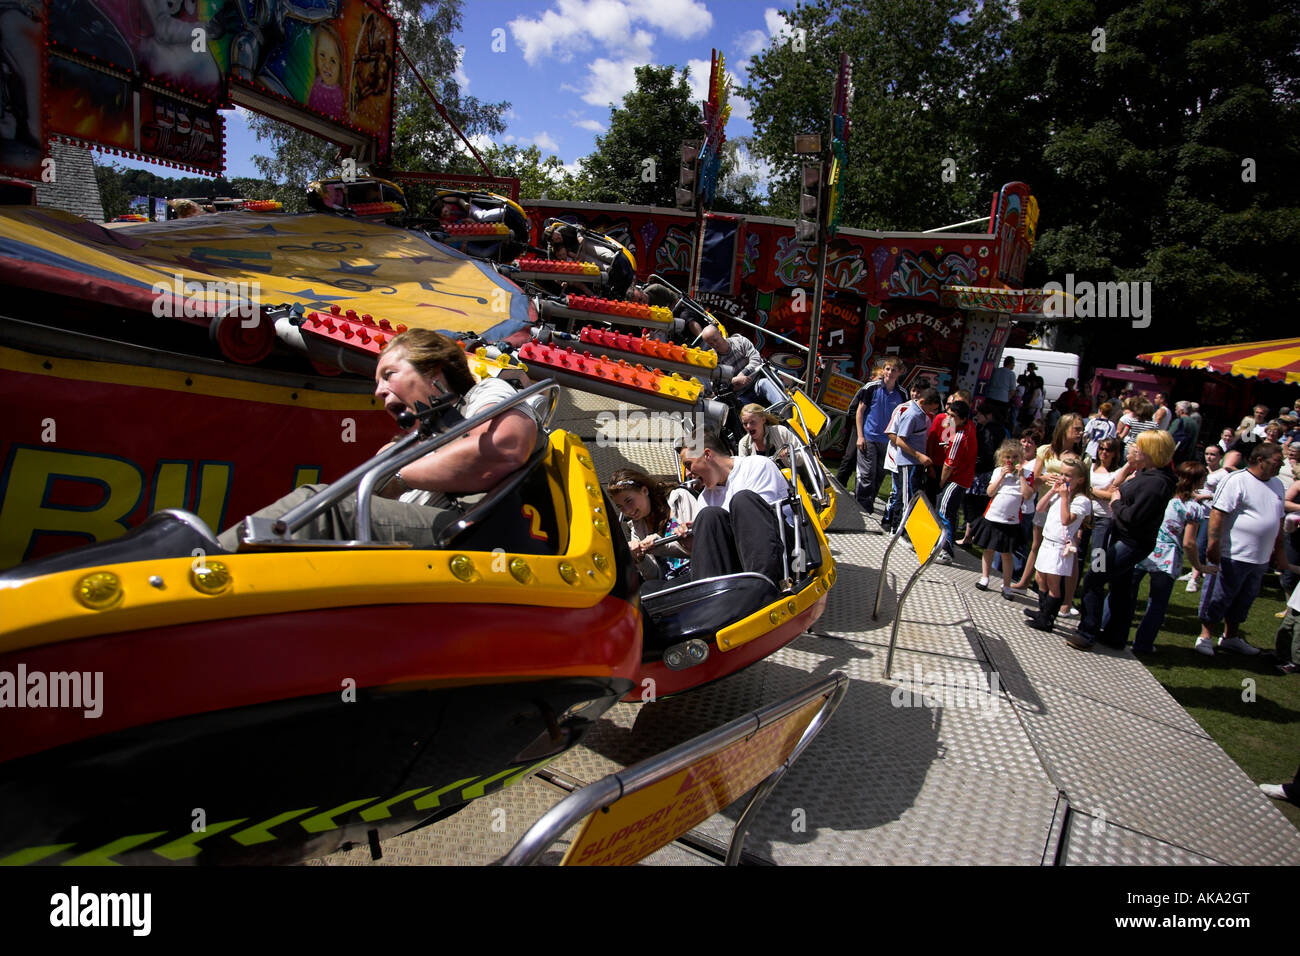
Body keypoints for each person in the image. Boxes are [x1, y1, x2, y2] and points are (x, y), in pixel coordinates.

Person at [217, 329, 539, 551]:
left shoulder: (483, 394)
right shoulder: (416, 440)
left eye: (389, 375)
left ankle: (207, 558)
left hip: (467, 533)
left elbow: (502, 448)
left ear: (434, 372)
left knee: (324, 507)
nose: (378, 391)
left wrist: (400, 474)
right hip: (434, 528)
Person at [1068, 430, 1177, 651]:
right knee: (1121, 587)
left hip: (1129, 543)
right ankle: (1115, 636)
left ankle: (1087, 631)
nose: (1133, 448)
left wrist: (1116, 502)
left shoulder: (1156, 483)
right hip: (1119, 537)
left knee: (1093, 579)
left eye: (1139, 446)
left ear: (1150, 452)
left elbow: (1133, 516)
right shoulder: (1147, 475)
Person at [1194, 442, 1287, 657]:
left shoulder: (1277, 485)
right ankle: (1205, 635)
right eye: (1276, 461)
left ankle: (1231, 637)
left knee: (1244, 599)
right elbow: (1218, 514)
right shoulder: (1237, 480)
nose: (1280, 466)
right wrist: (1213, 545)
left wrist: (1278, 550)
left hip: (1259, 558)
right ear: (1259, 460)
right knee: (1218, 596)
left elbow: (1278, 521)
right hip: (1232, 554)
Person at [675, 430, 789, 584]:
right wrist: (696, 540)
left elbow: (759, 525)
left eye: (688, 465)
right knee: (708, 517)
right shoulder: (705, 498)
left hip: (782, 556)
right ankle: (709, 597)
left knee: (742, 500)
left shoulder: (757, 466)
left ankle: (760, 586)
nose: (687, 474)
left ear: (707, 455)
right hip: (740, 567)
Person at [1129, 461, 1209, 654]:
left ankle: (1110, 630)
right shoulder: (1193, 508)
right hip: (1167, 557)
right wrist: (1199, 566)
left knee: (1126, 593)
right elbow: (1189, 543)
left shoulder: (1161, 495)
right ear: (1197, 481)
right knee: (1157, 603)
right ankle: (1143, 644)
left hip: (1144, 547)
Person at [1012, 414, 1090, 594]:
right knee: (1036, 544)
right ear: (1064, 428)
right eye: (1076, 429)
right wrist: (1044, 478)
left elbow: (1085, 486)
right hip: (1045, 501)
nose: (1080, 432)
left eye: (1081, 429)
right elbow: (1034, 480)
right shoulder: (1046, 450)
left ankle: (1066, 599)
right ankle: (1025, 581)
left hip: (1067, 507)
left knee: (1071, 552)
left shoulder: (1082, 457)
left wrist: (1081, 521)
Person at [1023, 455, 1091, 631]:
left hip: (1060, 546)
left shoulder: (1081, 500)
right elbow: (1039, 508)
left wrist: (1064, 498)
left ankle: (1047, 619)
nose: (1063, 478)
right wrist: (1053, 491)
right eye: (1062, 474)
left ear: (1080, 479)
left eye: (1068, 475)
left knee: (1053, 583)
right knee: (1040, 578)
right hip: (1047, 541)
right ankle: (1042, 610)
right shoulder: (1059, 493)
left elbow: (1066, 520)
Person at [606, 468, 699, 582]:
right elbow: (655, 576)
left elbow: (702, 545)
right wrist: (640, 559)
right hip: (670, 584)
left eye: (629, 501)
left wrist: (660, 545)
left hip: (697, 571)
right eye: (620, 507)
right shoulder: (637, 527)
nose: (628, 511)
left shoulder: (679, 498)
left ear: (644, 491)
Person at [973, 439, 1034, 598]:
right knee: (988, 548)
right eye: (1008, 457)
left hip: (1011, 520)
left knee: (1007, 553)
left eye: (1015, 457)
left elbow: (1027, 495)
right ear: (1002, 458)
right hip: (993, 516)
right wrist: (1001, 476)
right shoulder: (998, 471)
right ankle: (985, 577)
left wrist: (1021, 476)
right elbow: (990, 492)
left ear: (1020, 458)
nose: (1011, 461)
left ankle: (1006, 585)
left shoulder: (1027, 474)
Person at [881, 387, 942, 534]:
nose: (932, 411)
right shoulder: (912, 415)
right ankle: (898, 530)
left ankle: (904, 530)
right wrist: (918, 455)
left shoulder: (920, 414)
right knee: (906, 498)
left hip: (915, 464)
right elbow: (900, 440)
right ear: (923, 402)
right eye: (931, 408)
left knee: (912, 496)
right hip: (908, 463)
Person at [543, 218, 643, 301]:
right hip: (579, 256)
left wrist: (579, 236)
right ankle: (613, 276)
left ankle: (616, 261)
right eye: (556, 239)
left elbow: (577, 227)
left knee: (605, 255)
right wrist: (561, 281)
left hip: (584, 244)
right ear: (552, 242)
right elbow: (553, 266)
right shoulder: (552, 249)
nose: (559, 238)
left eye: (558, 236)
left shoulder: (562, 230)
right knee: (599, 266)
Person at [698, 324, 784, 409]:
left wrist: (743, 373)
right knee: (743, 411)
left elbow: (756, 359)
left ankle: (785, 412)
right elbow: (716, 386)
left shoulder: (740, 342)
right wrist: (734, 381)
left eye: (715, 340)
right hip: (740, 395)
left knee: (765, 383)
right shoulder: (712, 359)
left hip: (757, 382)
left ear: (720, 334)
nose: (715, 344)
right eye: (711, 343)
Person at [933, 399, 976, 564]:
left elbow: (948, 466)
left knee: (943, 512)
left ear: (963, 418)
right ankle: (943, 543)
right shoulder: (968, 426)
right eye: (948, 414)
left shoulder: (959, 436)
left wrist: (941, 483)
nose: (948, 418)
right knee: (948, 511)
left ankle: (946, 551)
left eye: (953, 416)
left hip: (957, 479)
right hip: (963, 478)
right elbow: (945, 440)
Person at [956, 403, 1003, 547]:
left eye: (980, 414)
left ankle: (970, 536)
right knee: (976, 505)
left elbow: (985, 452)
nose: (977, 417)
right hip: (987, 472)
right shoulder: (999, 430)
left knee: (972, 505)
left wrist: (974, 461)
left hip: (981, 474)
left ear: (988, 415)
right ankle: (970, 536)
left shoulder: (989, 431)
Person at [308, 23, 345, 115]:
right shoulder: (317, 82)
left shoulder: (337, 95)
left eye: (333, 61)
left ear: (340, 67)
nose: (327, 65)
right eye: (322, 55)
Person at [983, 356, 1017, 429]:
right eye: (1013, 364)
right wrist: (1008, 399)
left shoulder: (995, 371)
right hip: (1002, 400)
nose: (1014, 366)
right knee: (998, 420)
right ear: (1010, 364)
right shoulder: (1011, 374)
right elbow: (1012, 391)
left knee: (987, 416)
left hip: (990, 397)